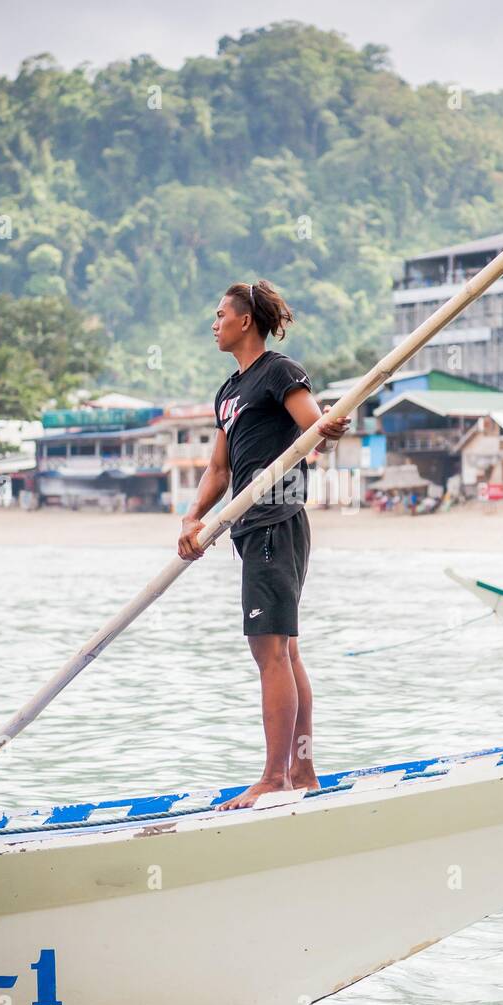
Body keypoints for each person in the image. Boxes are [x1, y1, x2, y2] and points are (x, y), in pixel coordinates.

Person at [178, 279, 349, 810]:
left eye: (220, 314)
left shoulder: (279, 371)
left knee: (269, 650)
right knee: (285, 649)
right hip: (248, 526)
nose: (214, 323)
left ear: (244, 321)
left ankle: (275, 776)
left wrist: (328, 428)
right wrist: (193, 518)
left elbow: (311, 430)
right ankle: (301, 770)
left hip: (278, 516)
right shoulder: (229, 392)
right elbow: (219, 467)